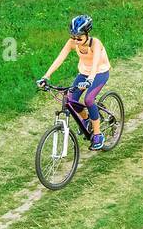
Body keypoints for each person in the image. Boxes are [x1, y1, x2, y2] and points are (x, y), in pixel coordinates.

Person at [37, 15, 112, 150]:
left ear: (87, 34)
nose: (76, 41)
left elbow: (95, 64)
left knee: (89, 100)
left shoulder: (95, 43)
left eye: (79, 38)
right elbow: (60, 58)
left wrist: (90, 80)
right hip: (84, 73)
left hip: (100, 72)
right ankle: (86, 120)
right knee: (71, 99)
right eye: (73, 37)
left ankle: (98, 134)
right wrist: (46, 76)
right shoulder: (72, 42)